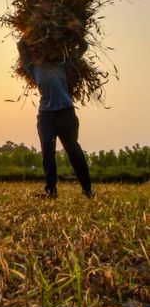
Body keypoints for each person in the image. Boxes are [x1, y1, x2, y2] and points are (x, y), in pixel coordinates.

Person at [17, 35, 93, 198]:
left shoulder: (64, 64)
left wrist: (74, 33)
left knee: (73, 151)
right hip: (46, 115)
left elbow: (83, 47)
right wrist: (33, 31)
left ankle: (87, 190)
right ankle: (51, 190)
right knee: (47, 150)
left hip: (66, 113)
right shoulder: (33, 68)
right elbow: (21, 47)